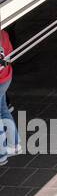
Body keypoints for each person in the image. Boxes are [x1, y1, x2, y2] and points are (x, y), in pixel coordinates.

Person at [0, 27, 14, 165]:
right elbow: (8, 57)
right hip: (5, 78)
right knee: (4, 110)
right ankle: (14, 144)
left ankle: (1, 155)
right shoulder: (3, 34)